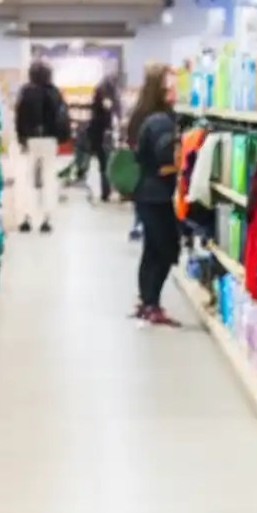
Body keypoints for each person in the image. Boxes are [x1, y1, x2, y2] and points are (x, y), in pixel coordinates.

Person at [126, 64, 181, 327]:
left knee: (151, 249)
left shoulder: (141, 114)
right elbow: (165, 161)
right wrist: (183, 165)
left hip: (144, 192)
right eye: (170, 85)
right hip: (158, 194)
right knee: (165, 249)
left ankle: (147, 301)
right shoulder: (161, 121)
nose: (174, 90)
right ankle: (152, 304)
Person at [14, 59, 70, 233]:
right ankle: (47, 218)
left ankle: (26, 218)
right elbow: (62, 118)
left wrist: (21, 138)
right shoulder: (55, 93)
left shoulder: (25, 92)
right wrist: (61, 138)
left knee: (27, 178)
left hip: (30, 140)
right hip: (50, 140)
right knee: (49, 177)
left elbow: (19, 117)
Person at [87, 73, 121, 203]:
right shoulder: (105, 93)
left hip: (99, 133)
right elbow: (110, 109)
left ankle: (106, 191)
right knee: (105, 163)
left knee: (103, 164)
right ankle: (106, 191)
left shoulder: (101, 91)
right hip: (103, 133)